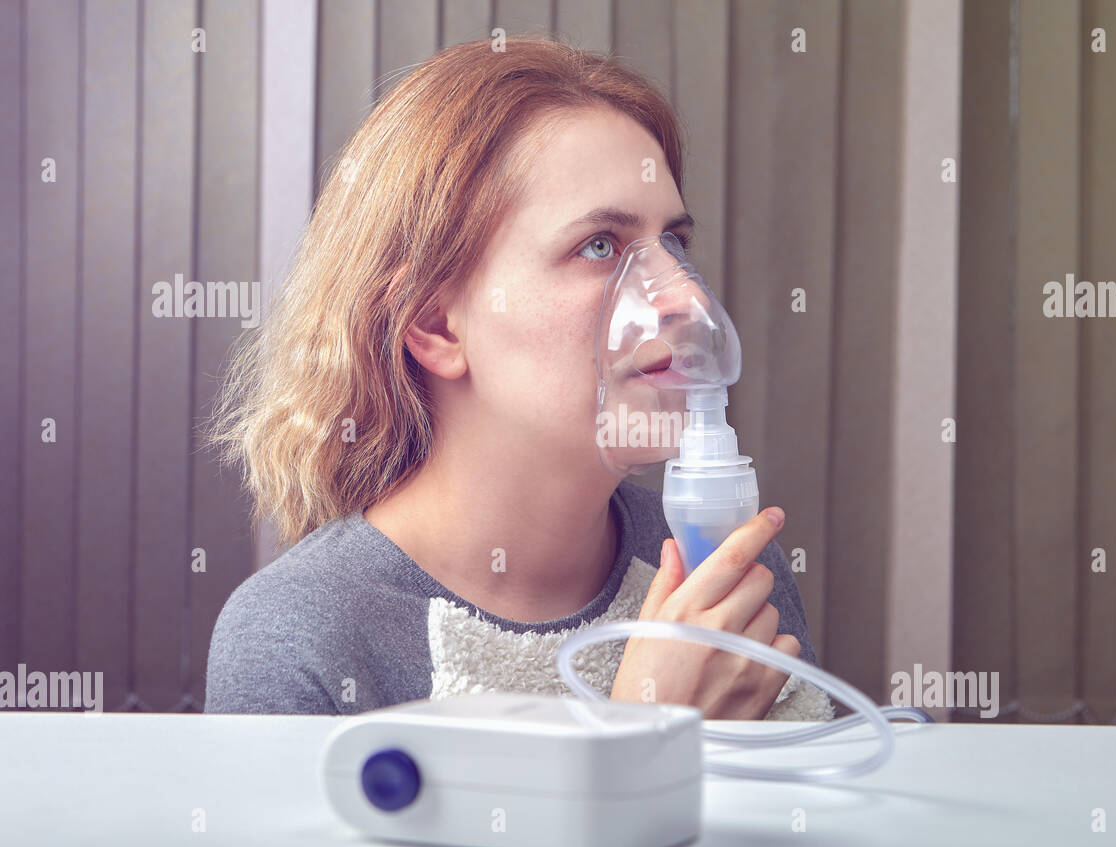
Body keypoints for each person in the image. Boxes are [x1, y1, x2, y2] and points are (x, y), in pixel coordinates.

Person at [202, 35, 832, 722]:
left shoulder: (720, 560)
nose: (683, 299)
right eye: (600, 246)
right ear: (436, 326)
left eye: (672, 243)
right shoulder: (300, 638)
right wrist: (644, 734)